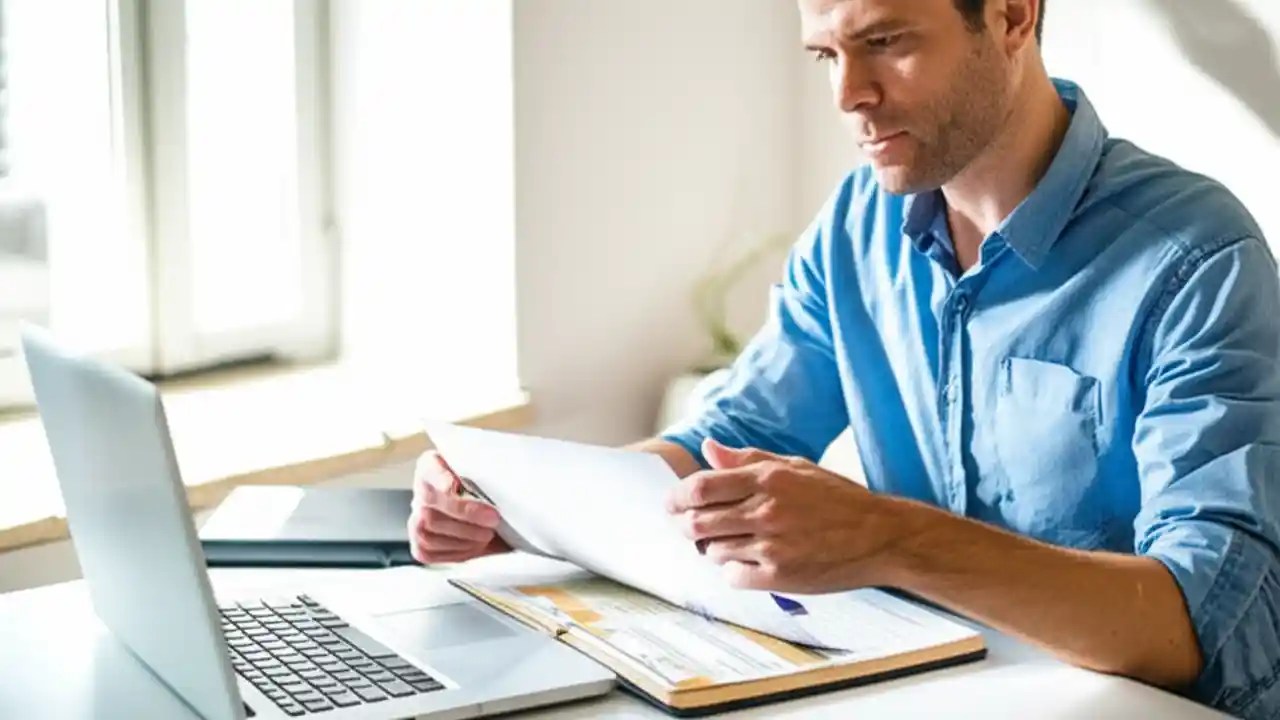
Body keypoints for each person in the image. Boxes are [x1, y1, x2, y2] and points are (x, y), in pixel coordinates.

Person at [407, 1, 1280, 717]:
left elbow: (1198, 624)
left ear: (1013, 15)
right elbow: (730, 430)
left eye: (886, 43)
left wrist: (888, 538)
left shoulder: (1197, 260)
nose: (847, 95)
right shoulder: (859, 228)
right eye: (824, 55)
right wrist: (514, 501)